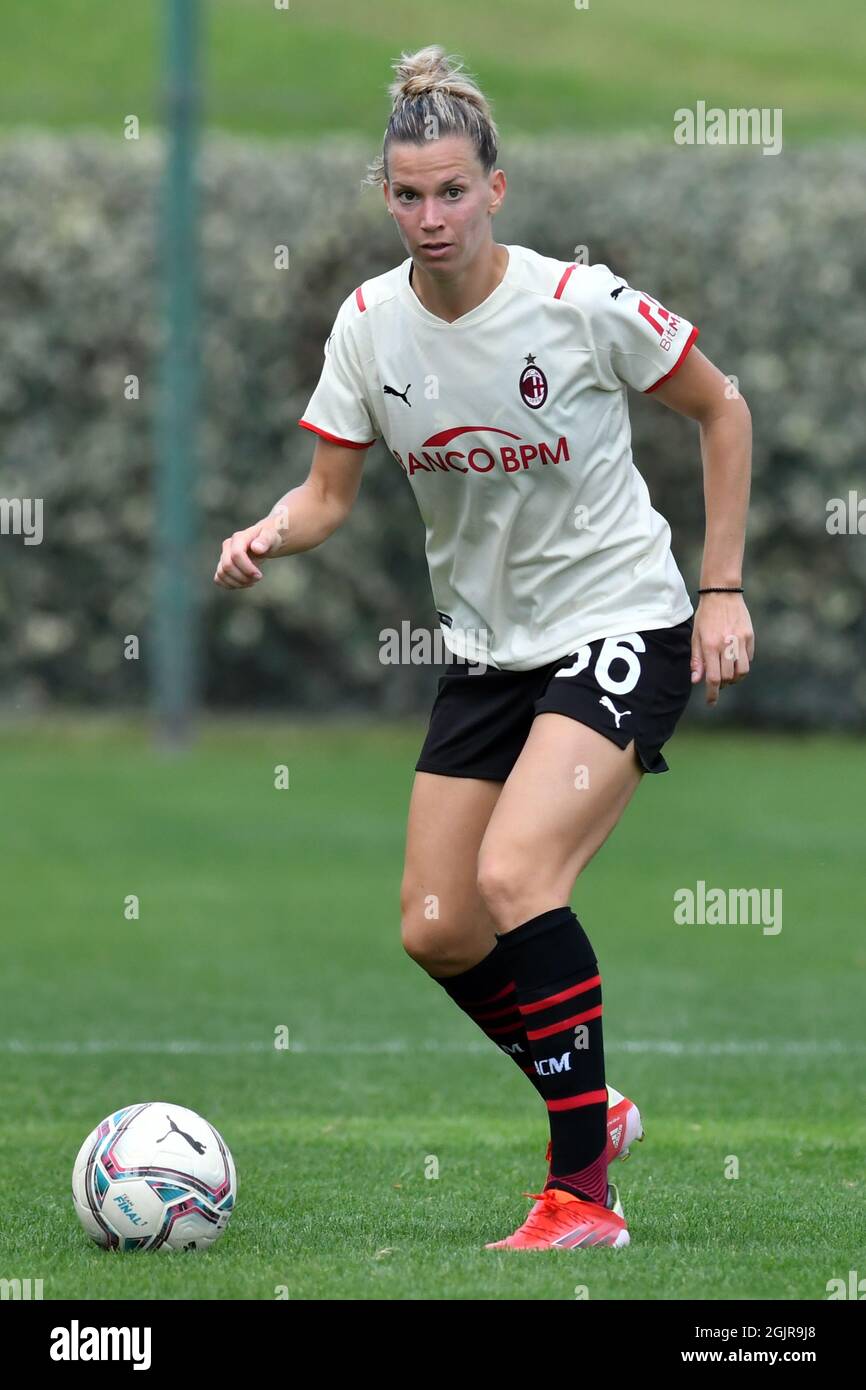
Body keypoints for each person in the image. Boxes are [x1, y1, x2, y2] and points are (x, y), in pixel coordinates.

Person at [215, 44, 754, 1251]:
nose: (428, 216)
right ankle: (589, 1106)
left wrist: (718, 590)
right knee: (436, 922)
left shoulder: (577, 305)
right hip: (489, 652)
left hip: (621, 622)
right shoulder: (367, 326)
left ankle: (580, 1199)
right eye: (405, 195)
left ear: (494, 188)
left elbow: (722, 408)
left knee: (517, 882)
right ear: (385, 194)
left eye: (450, 190)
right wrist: (266, 533)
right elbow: (327, 496)